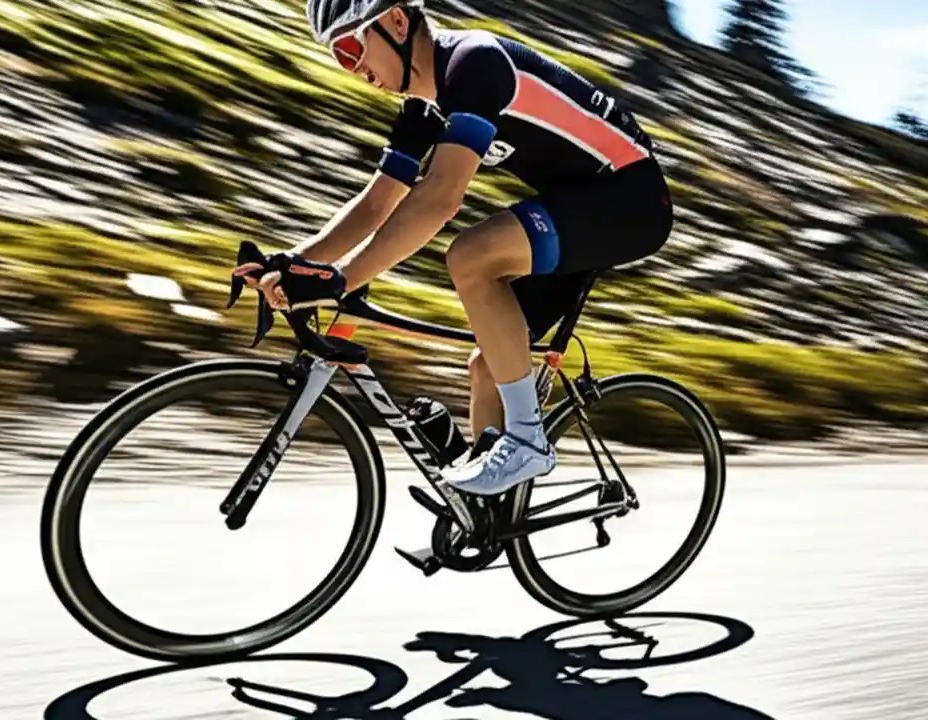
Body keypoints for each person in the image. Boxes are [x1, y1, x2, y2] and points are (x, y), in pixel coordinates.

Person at [241, 0, 674, 496]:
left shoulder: (474, 63)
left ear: (397, 21)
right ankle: (488, 517)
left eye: (350, 46)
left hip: (632, 198)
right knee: (489, 365)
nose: (353, 67)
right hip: (577, 204)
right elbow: (377, 204)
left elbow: (439, 198)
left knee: (471, 255)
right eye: (339, 57)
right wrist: (296, 263)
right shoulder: (423, 106)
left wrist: (339, 279)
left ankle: (528, 443)